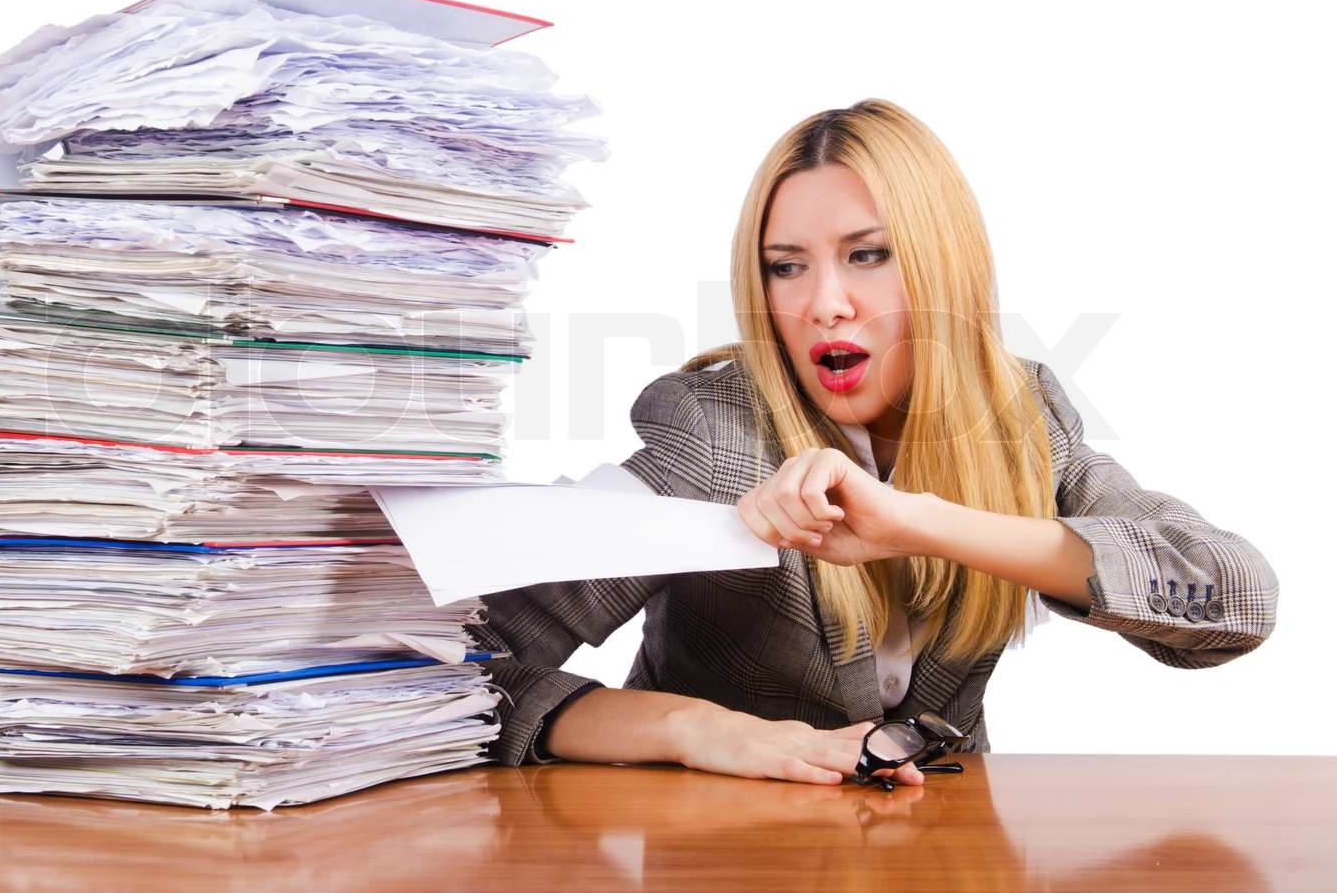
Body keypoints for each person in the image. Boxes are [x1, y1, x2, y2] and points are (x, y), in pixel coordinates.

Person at [468, 99, 1278, 787]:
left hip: (943, 850)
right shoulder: (712, 432)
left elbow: (1235, 601)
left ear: (944, 266)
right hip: (719, 852)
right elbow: (460, 674)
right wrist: (700, 732)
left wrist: (919, 521)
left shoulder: (1025, 418)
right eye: (786, 267)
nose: (825, 303)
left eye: (868, 256)